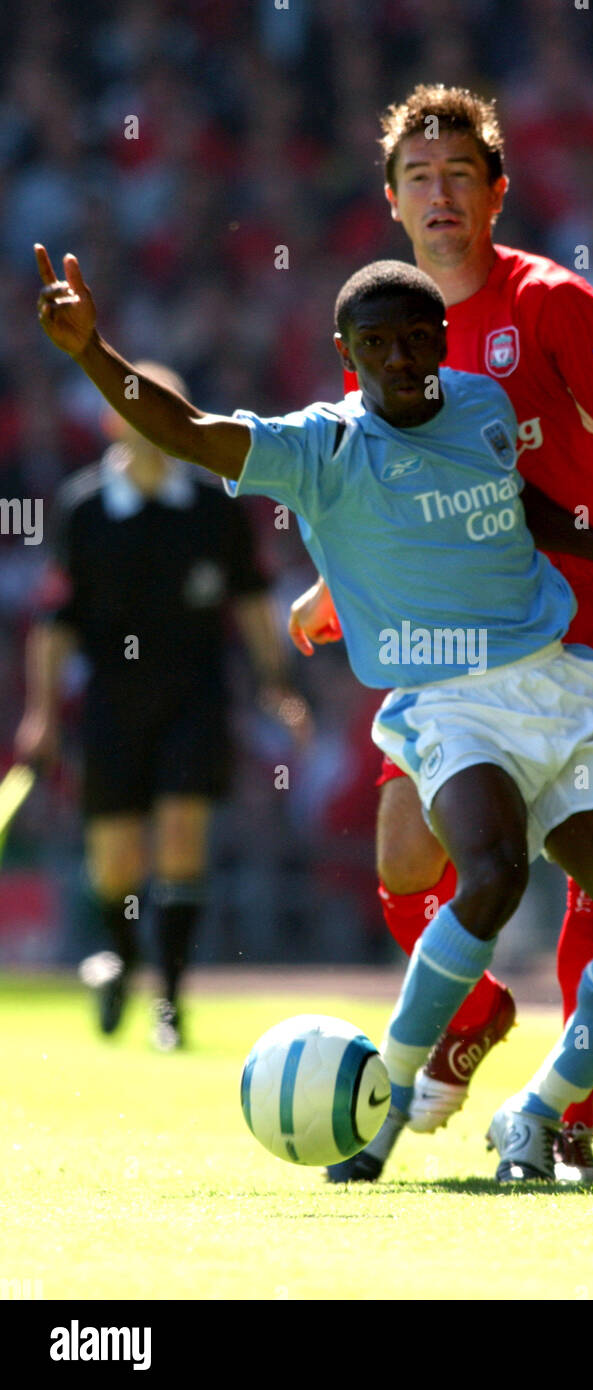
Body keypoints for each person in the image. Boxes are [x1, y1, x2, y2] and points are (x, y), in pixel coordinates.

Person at [36, 245, 593, 1181]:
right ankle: (383, 1101)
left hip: (564, 682)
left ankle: (538, 1111)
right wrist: (93, 353)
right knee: (493, 873)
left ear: (440, 341)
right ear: (349, 353)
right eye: (376, 344)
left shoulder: (483, 406)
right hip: (447, 703)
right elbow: (187, 429)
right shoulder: (323, 446)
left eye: (416, 339)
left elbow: (518, 501)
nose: (399, 358)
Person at [288, 84, 593, 1181]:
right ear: (389, 202)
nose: (438, 194)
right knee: (403, 850)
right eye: (417, 177)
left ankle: (561, 1116)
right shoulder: (390, 325)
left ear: (496, 193)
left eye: (459, 175)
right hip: (465, 634)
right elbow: (371, 481)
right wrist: (331, 584)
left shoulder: (550, 301)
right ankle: (469, 1014)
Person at [15, 341, 307, 1049]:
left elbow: (249, 601)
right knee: (115, 862)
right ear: (114, 421)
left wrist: (275, 686)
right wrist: (42, 715)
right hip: (112, 706)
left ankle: (169, 1002)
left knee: (181, 841)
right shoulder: (85, 510)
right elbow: (55, 626)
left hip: (194, 699)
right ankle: (121, 958)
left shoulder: (212, 507)